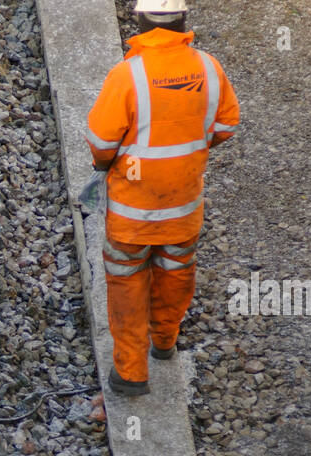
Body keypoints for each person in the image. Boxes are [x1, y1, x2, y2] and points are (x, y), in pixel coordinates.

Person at [85, 0, 239, 396]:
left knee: (126, 281)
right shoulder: (209, 67)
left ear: (139, 21)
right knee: (175, 271)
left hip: (132, 214)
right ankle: (165, 342)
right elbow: (225, 124)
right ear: (183, 20)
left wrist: (111, 164)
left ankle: (131, 373)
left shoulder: (127, 75)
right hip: (183, 207)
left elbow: (101, 141)